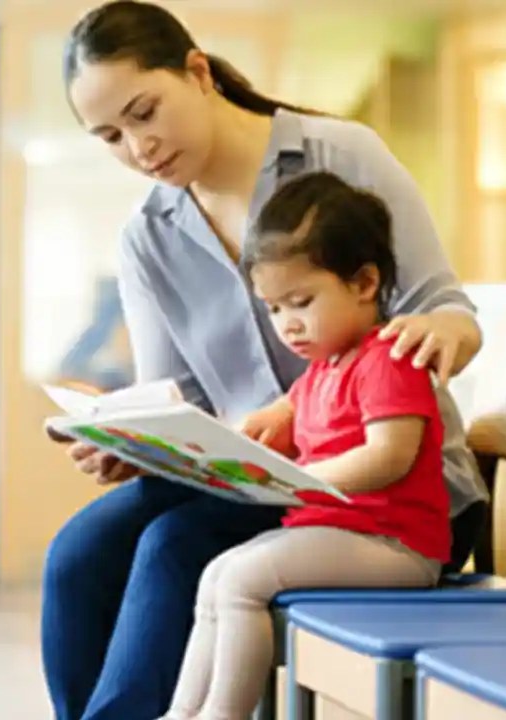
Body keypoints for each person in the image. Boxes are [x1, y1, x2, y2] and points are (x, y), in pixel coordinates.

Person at [41, 2, 489, 719]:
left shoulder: (341, 156)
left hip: (382, 489)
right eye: (111, 137)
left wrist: (441, 333)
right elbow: (180, 401)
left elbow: (447, 309)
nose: (139, 147)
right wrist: (131, 443)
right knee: (77, 554)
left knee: (173, 543)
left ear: (197, 70)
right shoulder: (148, 236)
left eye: (144, 112)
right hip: (250, 480)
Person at [162, 171, 450, 720]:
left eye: (300, 301)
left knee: (244, 579)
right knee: (217, 574)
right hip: (345, 536)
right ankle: (181, 713)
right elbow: (294, 409)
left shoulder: (388, 359)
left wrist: (306, 482)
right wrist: (260, 430)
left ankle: (222, 714)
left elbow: (391, 455)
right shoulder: (323, 367)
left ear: (364, 284)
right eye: (273, 309)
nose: (286, 325)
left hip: (397, 547)